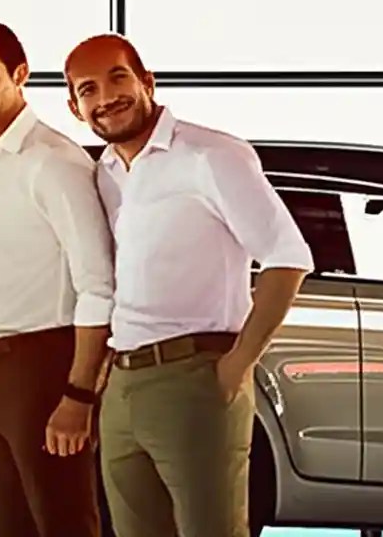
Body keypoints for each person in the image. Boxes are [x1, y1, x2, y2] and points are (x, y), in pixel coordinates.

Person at [64, 33, 313, 537]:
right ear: (75, 107)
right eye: (88, 90)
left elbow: (288, 258)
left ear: (147, 82)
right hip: (123, 384)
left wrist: (237, 365)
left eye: (117, 78)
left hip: (195, 378)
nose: (106, 97)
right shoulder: (105, 173)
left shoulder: (211, 154)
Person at [0, 18, 113, 537]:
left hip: (50, 370)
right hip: (0, 373)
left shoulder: (52, 161)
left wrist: (79, 393)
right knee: (9, 526)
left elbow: (98, 284)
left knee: (64, 523)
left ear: (19, 75)